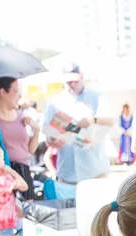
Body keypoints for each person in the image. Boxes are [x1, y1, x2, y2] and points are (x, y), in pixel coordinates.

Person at [42, 63, 111, 200]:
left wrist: (94, 119)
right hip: (67, 175)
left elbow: (111, 120)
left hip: (94, 171)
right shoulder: (55, 102)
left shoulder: (97, 97)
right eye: (68, 81)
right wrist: (52, 141)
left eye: (75, 80)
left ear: (82, 78)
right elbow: (47, 136)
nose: (72, 84)